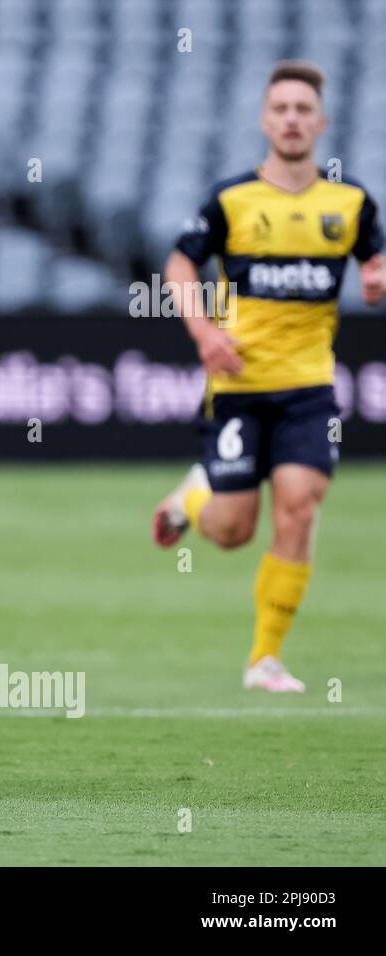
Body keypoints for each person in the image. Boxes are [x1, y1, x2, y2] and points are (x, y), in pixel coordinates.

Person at [153, 61, 385, 692]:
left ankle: (264, 660)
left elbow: (376, 260)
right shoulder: (233, 200)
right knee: (231, 530)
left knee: (300, 509)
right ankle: (190, 498)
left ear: (321, 122)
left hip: (310, 388)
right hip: (239, 387)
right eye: (281, 108)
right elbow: (179, 265)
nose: (291, 119)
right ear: (264, 119)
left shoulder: (353, 204)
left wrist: (376, 275)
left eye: (302, 109)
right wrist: (203, 333)